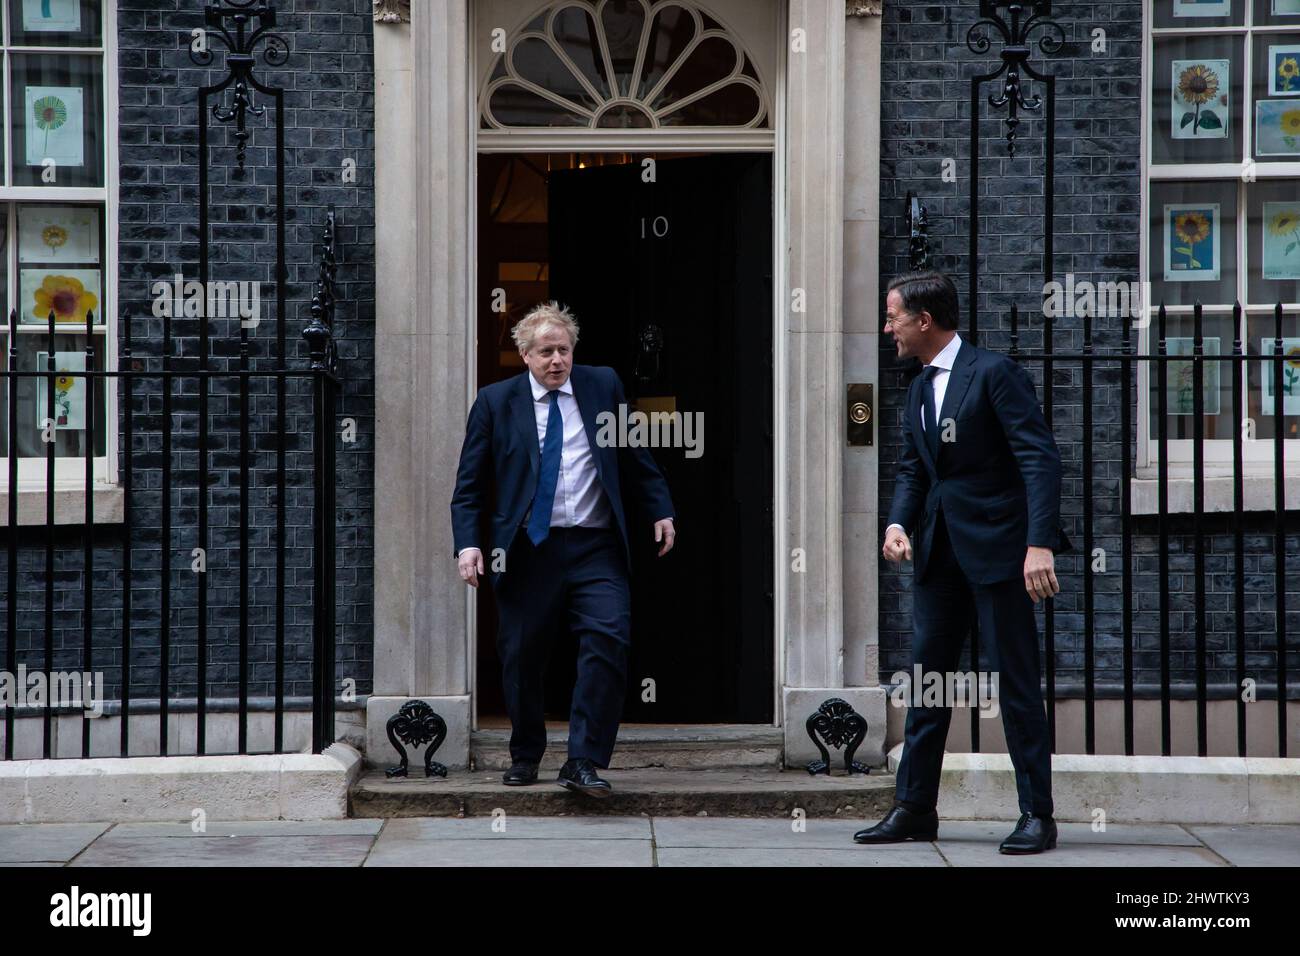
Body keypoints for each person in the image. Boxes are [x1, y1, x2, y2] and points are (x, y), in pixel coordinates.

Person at [855, 270, 1071, 854]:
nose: (887, 327)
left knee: (1016, 684)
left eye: (893, 316)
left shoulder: (993, 374)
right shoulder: (920, 386)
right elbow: (914, 469)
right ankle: (915, 808)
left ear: (924, 320)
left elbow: (1040, 460)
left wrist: (1039, 543)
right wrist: (899, 523)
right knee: (928, 683)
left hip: (1000, 555)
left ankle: (1037, 816)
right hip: (939, 557)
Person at [450, 301, 676, 797]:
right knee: (522, 656)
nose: (558, 360)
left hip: (596, 546)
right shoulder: (495, 401)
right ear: (525, 355)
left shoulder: (603, 385)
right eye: (547, 352)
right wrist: (468, 545)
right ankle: (526, 751)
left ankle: (583, 759)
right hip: (528, 549)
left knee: (608, 641)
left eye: (565, 350)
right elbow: (470, 484)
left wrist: (660, 508)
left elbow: (635, 452)